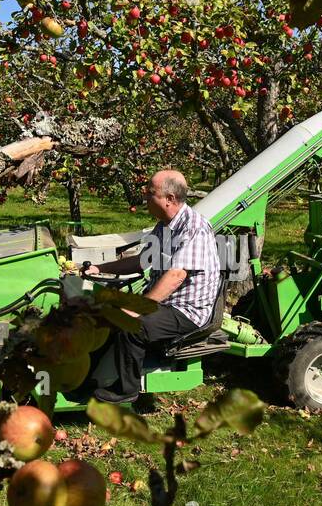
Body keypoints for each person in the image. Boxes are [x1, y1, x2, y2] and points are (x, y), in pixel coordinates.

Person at [76, 170, 221, 402]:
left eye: (150, 193)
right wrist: (100, 267)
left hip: (186, 310)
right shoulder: (164, 225)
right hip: (167, 302)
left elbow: (176, 276)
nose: (145, 198)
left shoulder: (194, 228)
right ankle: (85, 380)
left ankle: (127, 390)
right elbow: (143, 260)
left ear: (169, 199)